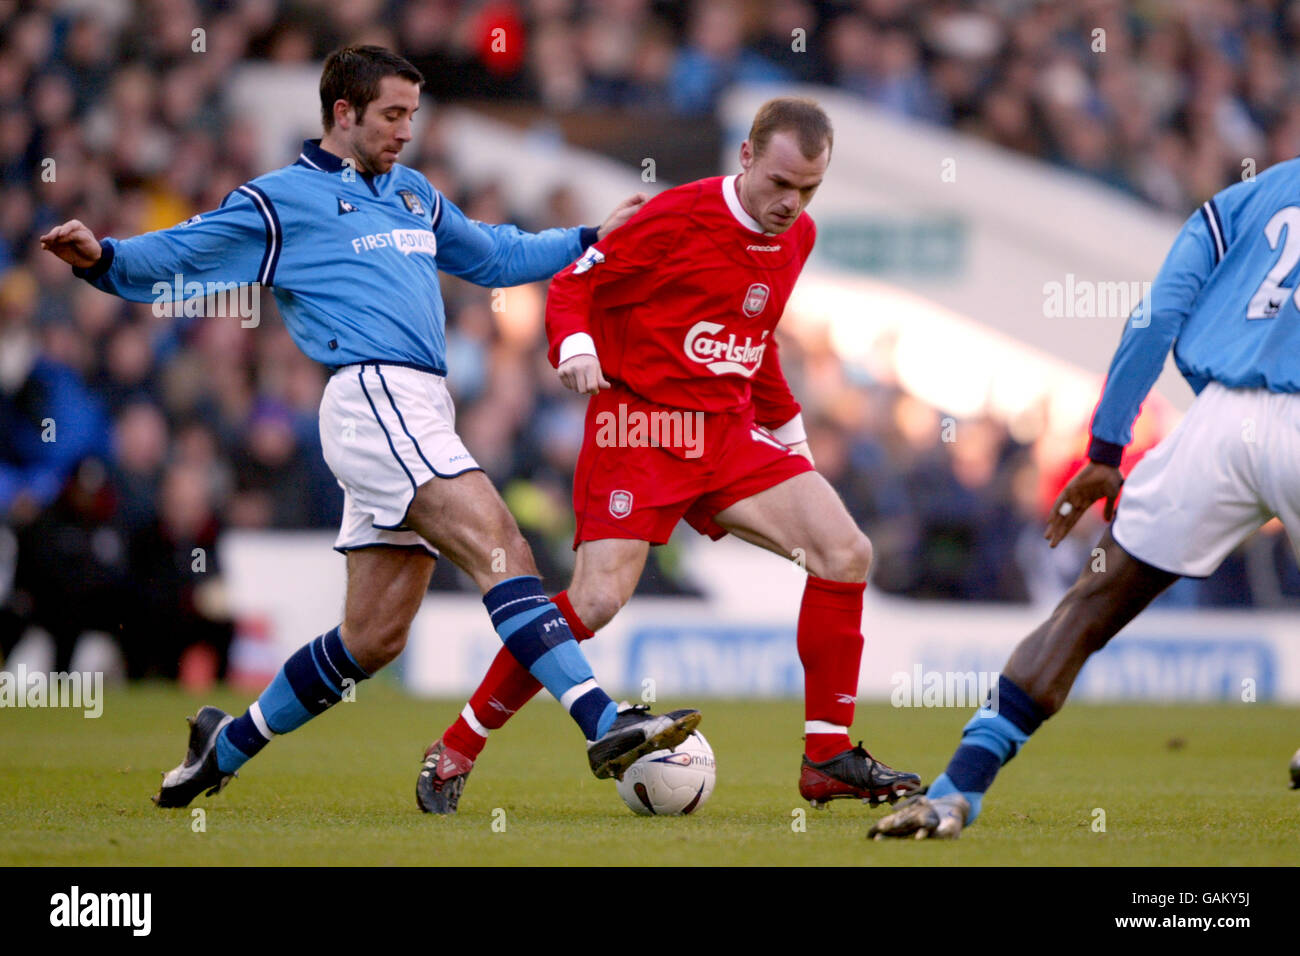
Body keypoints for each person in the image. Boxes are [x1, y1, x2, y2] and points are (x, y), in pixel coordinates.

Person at [40, 45, 700, 810]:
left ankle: (223, 745)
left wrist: (589, 239)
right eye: (391, 115)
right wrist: (106, 260)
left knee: (373, 638)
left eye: (412, 116)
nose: (404, 130)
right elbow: (188, 250)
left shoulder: (414, 194)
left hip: (417, 406)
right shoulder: (281, 200)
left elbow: (492, 254)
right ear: (343, 113)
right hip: (372, 396)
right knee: (502, 547)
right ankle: (601, 721)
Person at [417, 97, 921, 814]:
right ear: (745, 158)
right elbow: (572, 285)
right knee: (593, 601)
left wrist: (791, 434)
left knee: (846, 552)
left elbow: (754, 338)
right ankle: (457, 746)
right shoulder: (677, 217)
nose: (791, 203)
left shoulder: (799, 237)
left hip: (724, 433)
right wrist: (577, 345)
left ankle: (828, 756)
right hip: (641, 430)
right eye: (779, 183)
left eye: (808, 190)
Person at [870, 157, 1300, 839]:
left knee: (1086, 611)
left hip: (1217, 425)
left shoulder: (1245, 198)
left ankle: (956, 789)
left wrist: (1105, 450)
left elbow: (1154, 317)